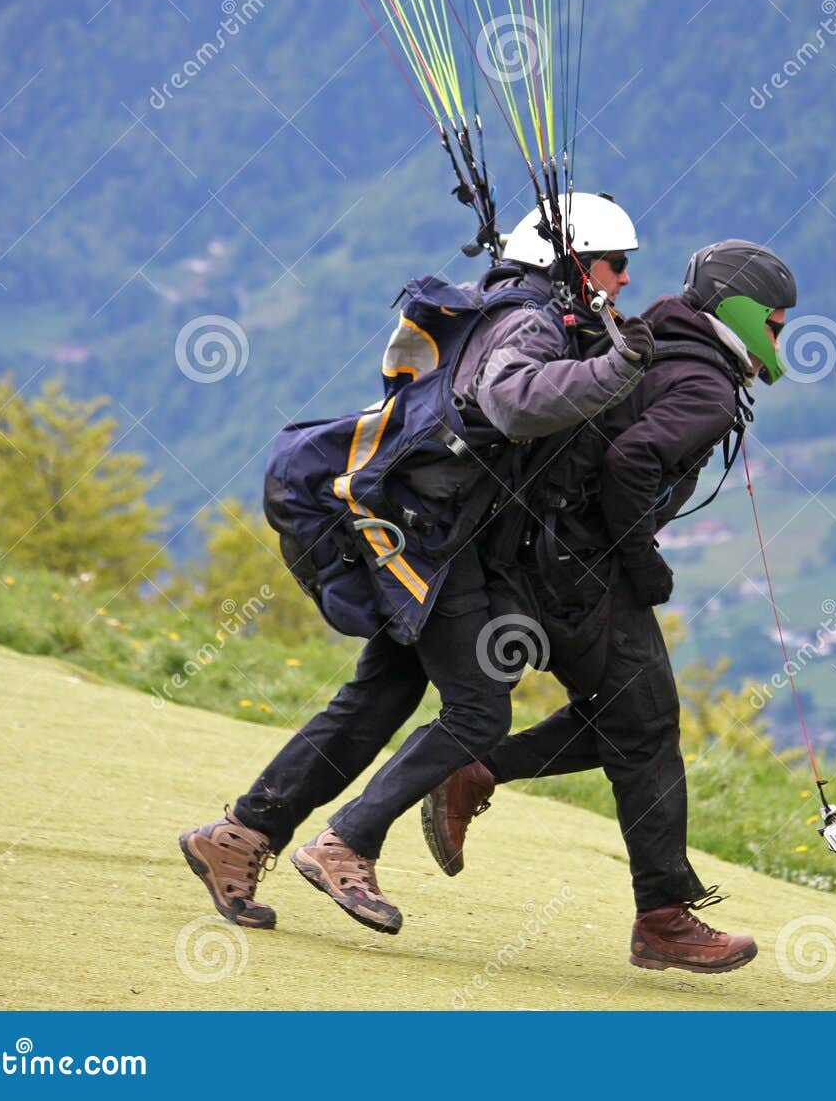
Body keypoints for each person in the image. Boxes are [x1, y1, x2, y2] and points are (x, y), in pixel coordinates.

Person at [178, 193, 648, 933]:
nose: (623, 280)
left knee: (381, 695)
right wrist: (618, 368)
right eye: (615, 264)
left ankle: (236, 838)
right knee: (480, 709)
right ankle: (346, 842)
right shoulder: (528, 322)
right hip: (427, 539)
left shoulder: (512, 310)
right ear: (573, 263)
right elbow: (514, 402)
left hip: (415, 528)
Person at [421, 240, 799, 973]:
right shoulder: (707, 388)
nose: (779, 342)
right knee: (649, 725)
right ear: (743, 315)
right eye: (775, 327)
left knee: (630, 720)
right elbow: (630, 464)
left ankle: (475, 769)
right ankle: (662, 918)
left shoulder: (660, 337)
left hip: (542, 550)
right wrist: (642, 563)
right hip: (587, 569)